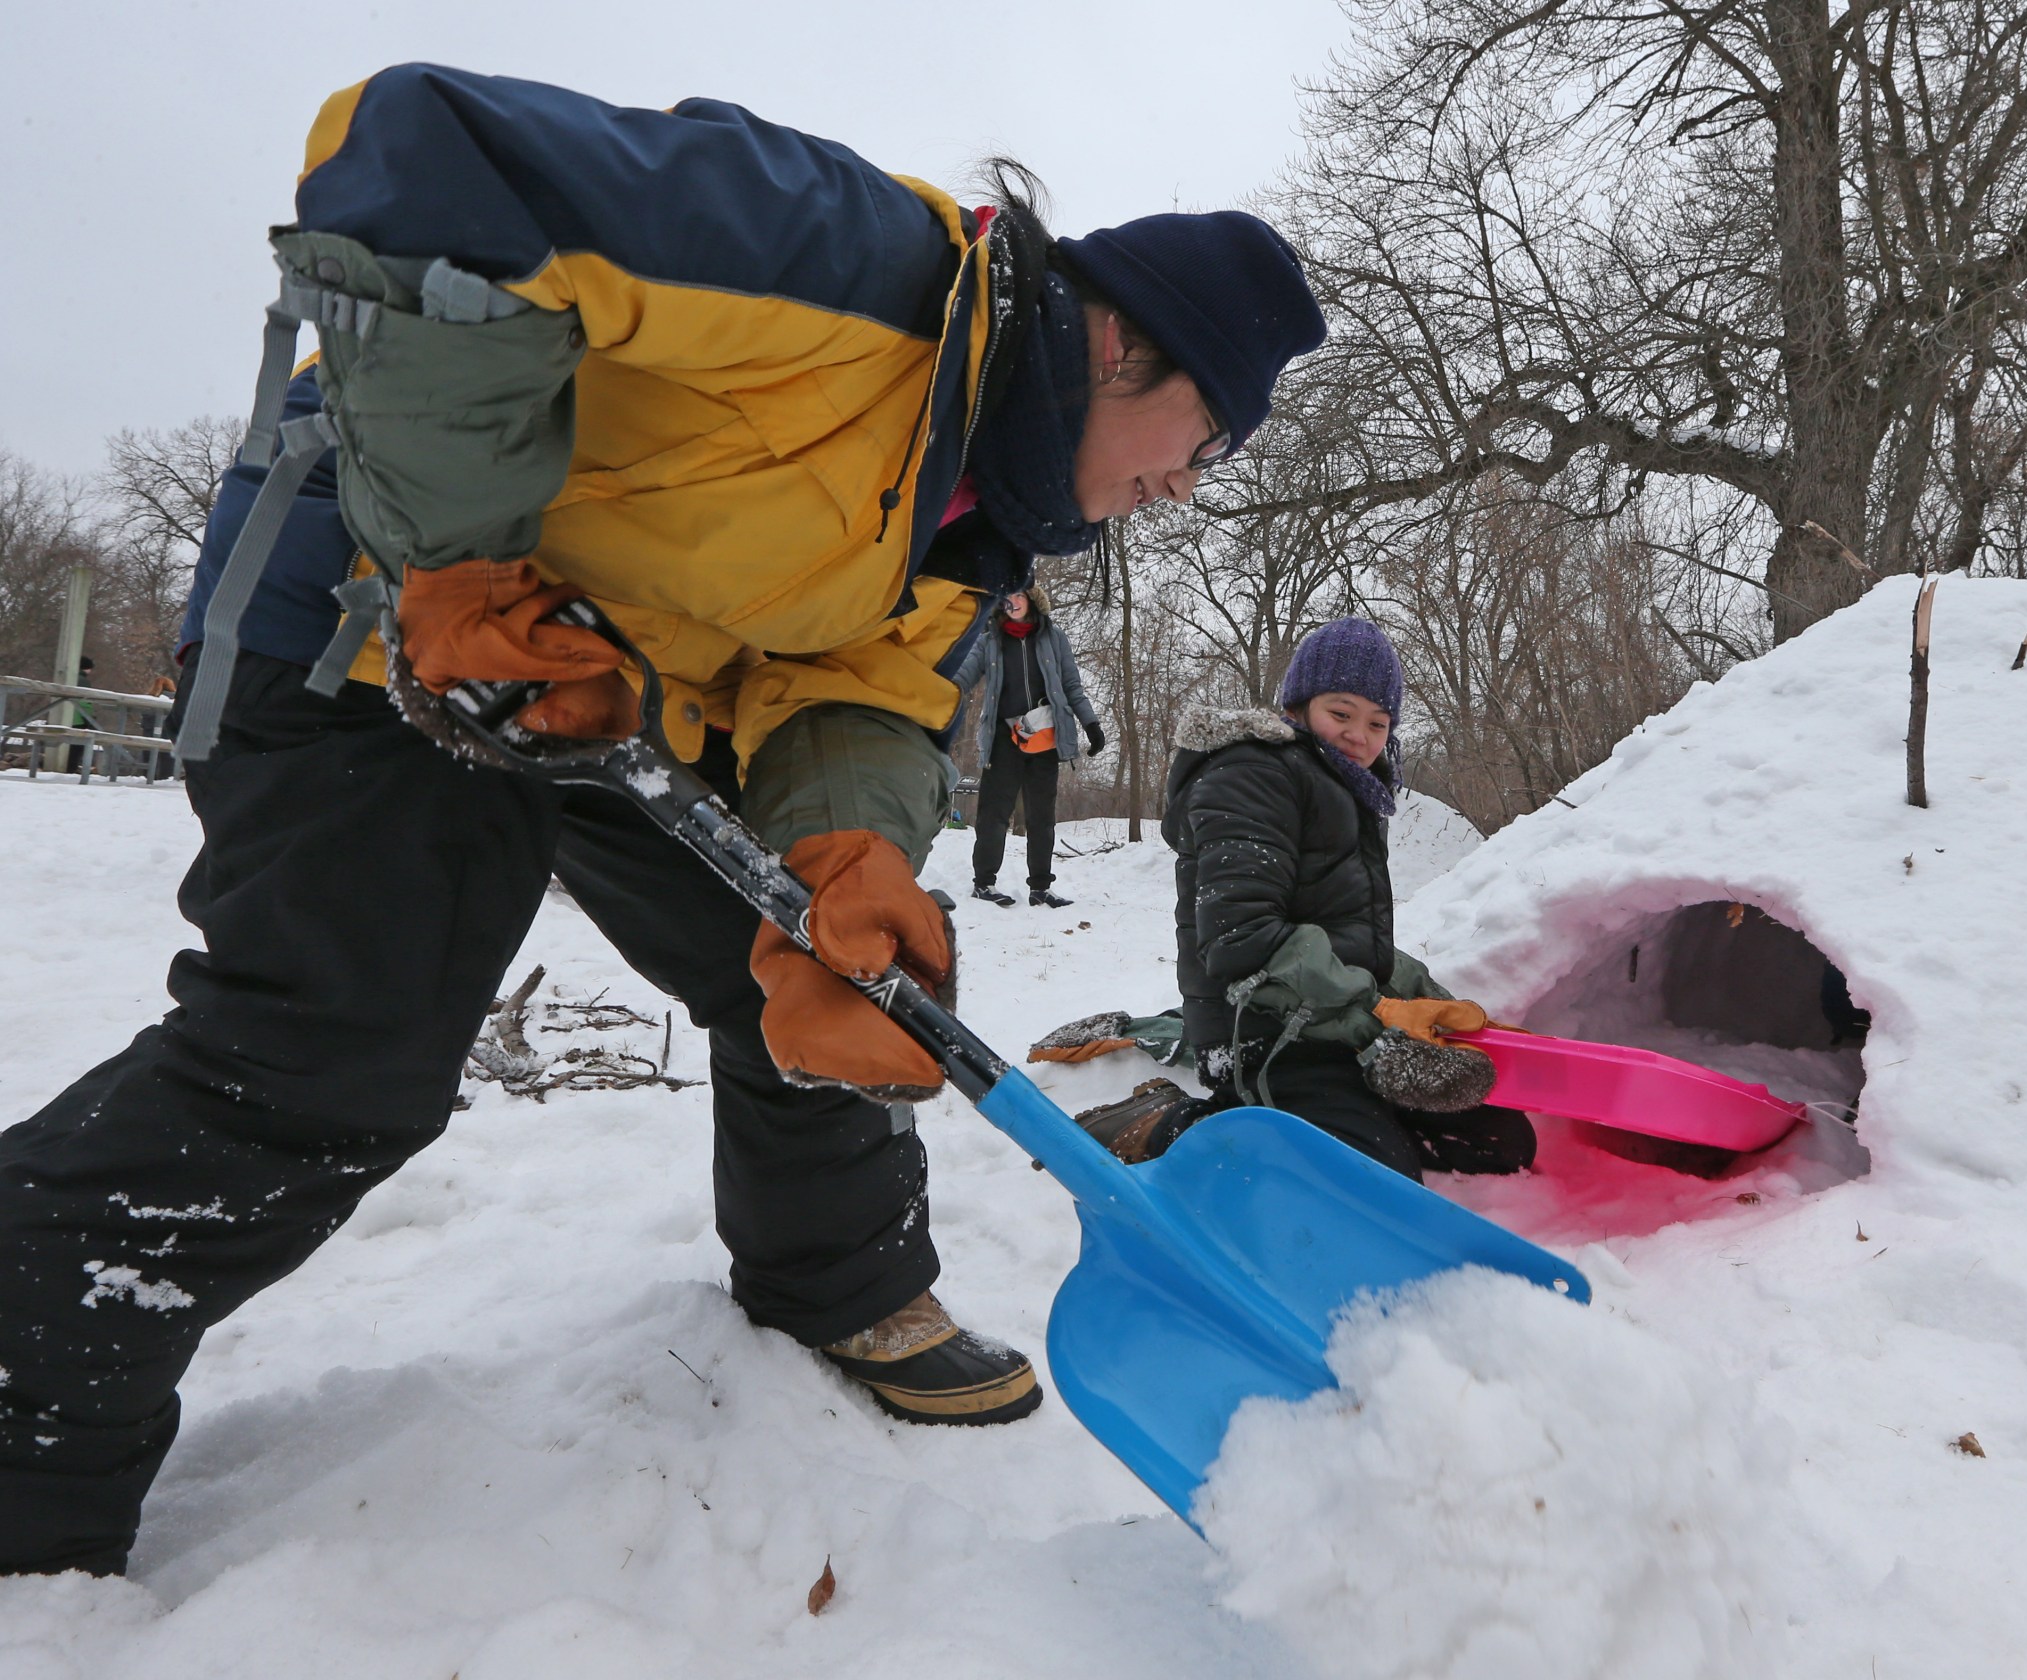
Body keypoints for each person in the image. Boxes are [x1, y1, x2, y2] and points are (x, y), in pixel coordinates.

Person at [0, 63, 1323, 1577]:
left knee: (833, 969)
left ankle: (842, 1280)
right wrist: (461, 553)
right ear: (1122, 346)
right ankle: (22, 1412)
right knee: (328, 1053)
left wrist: (848, 855)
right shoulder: (856, 267)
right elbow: (431, 155)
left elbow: (861, 701)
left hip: (609, 689)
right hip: (372, 618)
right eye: (1204, 447)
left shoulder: (985, 517)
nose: (1181, 492)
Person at [1081, 618, 1537, 1181]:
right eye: (1341, 714)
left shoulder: (1348, 791)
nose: (1359, 736)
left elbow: (1346, 935)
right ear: (1296, 706)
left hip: (1329, 1026)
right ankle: (1169, 1123)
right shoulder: (1252, 773)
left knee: (1499, 1142)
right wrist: (1377, 1028)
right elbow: (1243, 941)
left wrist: (1425, 1002)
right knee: (1374, 1179)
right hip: (1265, 1036)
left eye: (1377, 722)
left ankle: (1341, 1115)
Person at [954, 585, 1104, 908]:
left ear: (1032, 599)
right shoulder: (990, 640)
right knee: (994, 813)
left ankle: (1040, 888)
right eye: (1006, 597)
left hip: (1045, 738)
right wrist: (941, 693)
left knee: (1041, 816)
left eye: (1019, 595)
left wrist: (1091, 725)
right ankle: (984, 883)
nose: (1013, 603)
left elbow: (1071, 686)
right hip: (1003, 738)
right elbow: (963, 675)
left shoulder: (1053, 638)